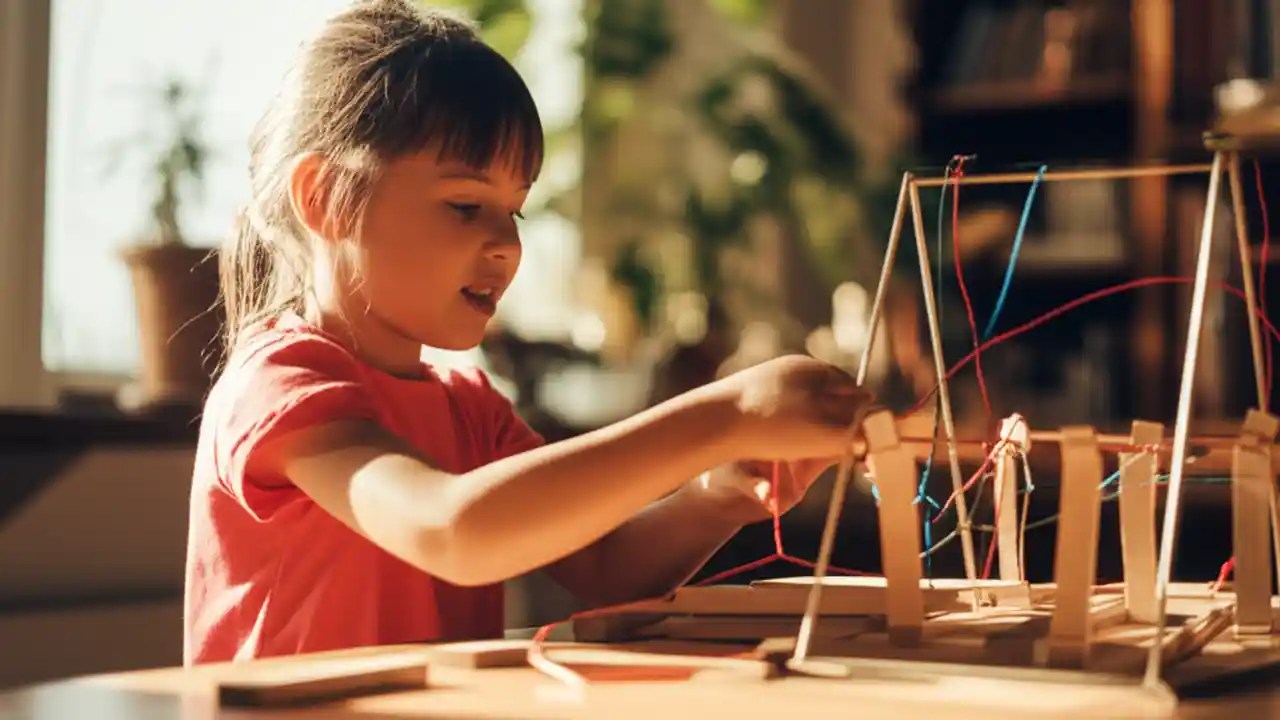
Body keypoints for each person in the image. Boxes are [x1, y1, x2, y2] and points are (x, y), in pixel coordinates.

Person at [183, 0, 873, 666]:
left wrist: (715, 496)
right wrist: (729, 414)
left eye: (515, 210)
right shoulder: (282, 383)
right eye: (465, 205)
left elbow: (605, 567)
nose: (506, 245)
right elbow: (451, 531)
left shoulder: (470, 408)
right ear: (325, 198)